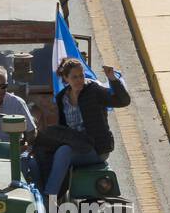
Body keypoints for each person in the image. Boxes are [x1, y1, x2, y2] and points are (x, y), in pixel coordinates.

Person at [35, 57, 131, 201]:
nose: (79, 80)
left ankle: (50, 197)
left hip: (96, 148)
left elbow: (123, 101)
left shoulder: (93, 90)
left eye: (81, 75)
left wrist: (112, 78)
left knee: (64, 152)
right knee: (42, 154)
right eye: (74, 77)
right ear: (66, 78)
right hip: (75, 144)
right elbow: (64, 128)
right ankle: (42, 193)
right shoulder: (62, 98)